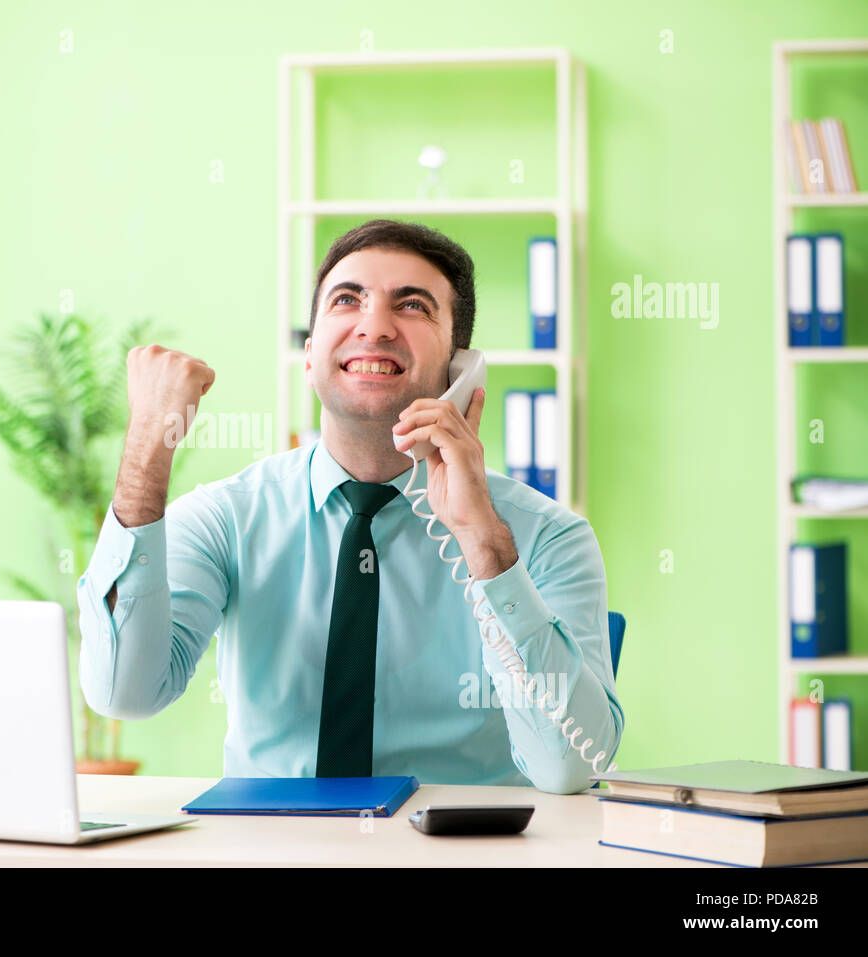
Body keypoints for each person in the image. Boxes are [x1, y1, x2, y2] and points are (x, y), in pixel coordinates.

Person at [76, 219, 623, 793]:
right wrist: (147, 445)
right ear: (310, 356)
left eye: (412, 306)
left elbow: (569, 768)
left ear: (461, 368)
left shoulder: (546, 537)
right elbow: (124, 693)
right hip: (272, 851)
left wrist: (483, 541)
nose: (375, 326)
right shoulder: (228, 517)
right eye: (347, 299)